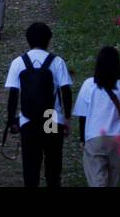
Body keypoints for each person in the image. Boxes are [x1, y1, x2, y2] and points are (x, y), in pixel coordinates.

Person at [5, 22, 73, 188]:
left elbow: (13, 95)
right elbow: (66, 92)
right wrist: (67, 118)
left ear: (28, 40)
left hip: (28, 120)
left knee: (31, 166)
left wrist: (11, 121)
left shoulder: (18, 63)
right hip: (51, 119)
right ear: (48, 40)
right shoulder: (57, 62)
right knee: (53, 165)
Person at [74, 46, 120, 188]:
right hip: (118, 139)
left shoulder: (89, 85)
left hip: (94, 138)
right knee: (113, 180)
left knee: (97, 180)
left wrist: (82, 139)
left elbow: (82, 116)